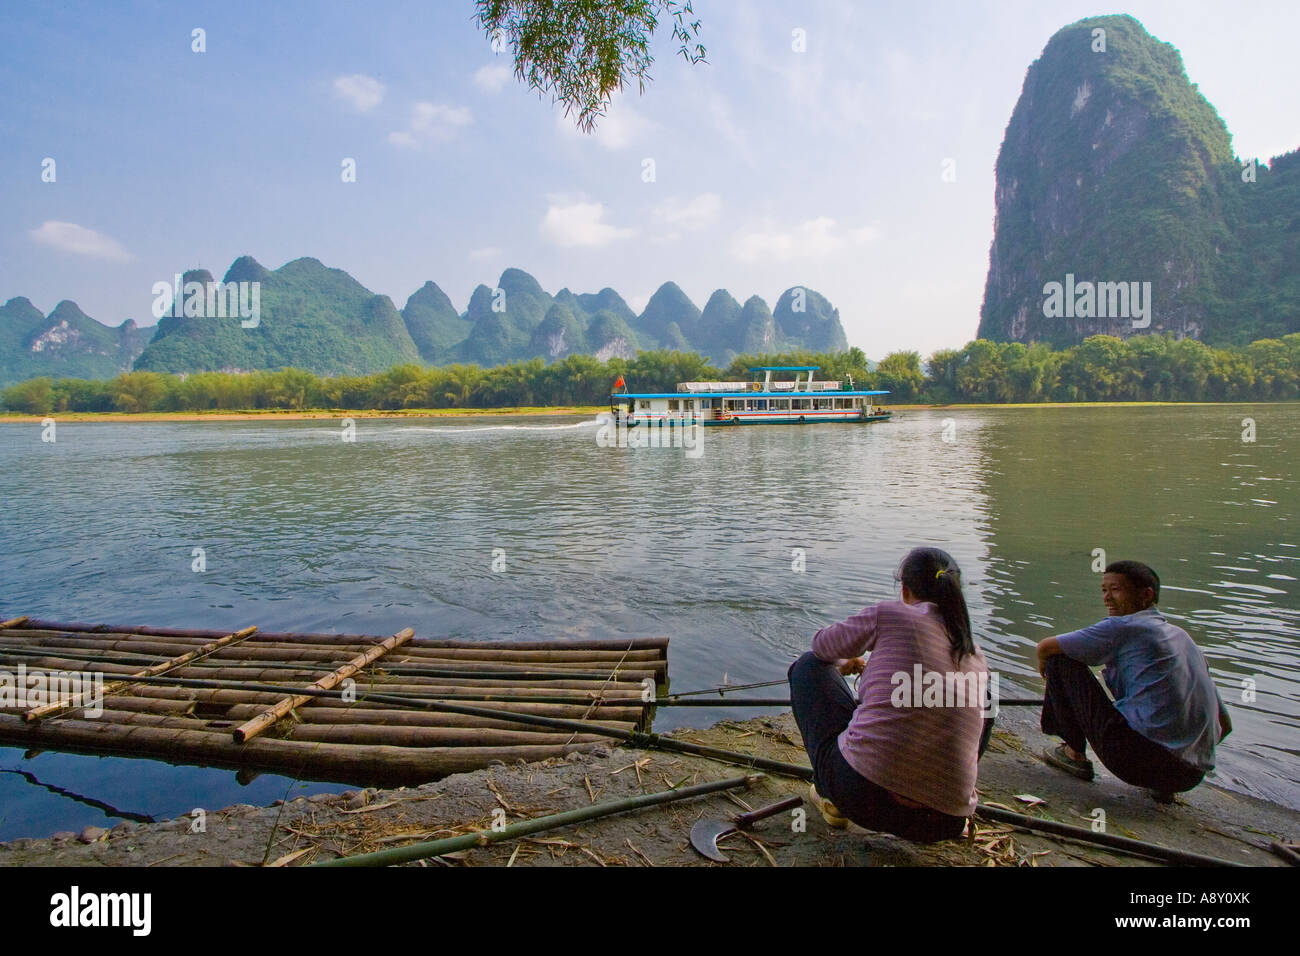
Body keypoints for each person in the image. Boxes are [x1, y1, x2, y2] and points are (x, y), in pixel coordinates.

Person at [788, 547, 991, 843]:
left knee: (807, 666)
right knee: (985, 693)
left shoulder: (889, 614)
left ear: (905, 590)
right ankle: (947, 786)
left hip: (863, 798)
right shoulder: (974, 652)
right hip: (943, 823)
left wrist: (845, 662)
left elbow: (821, 646)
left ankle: (827, 793)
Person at [1036, 560, 1231, 801]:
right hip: (1189, 777)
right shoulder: (1185, 640)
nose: (1107, 598)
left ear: (1146, 595)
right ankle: (1163, 787)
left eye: (1115, 589)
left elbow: (1045, 647)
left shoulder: (1125, 626)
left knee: (1061, 660)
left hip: (1134, 762)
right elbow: (1225, 725)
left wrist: (1049, 673)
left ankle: (1074, 754)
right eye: (1104, 590)